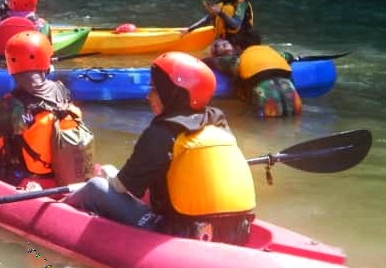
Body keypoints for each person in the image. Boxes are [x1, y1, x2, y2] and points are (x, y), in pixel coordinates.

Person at [65, 51, 257, 244]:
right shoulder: (218, 121)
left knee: (95, 187)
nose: (148, 96)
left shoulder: (161, 132)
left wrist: (110, 174)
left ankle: (56, 208)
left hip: (182, 234)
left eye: (155, 89)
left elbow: (123, 186)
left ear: (173, 92)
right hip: (238, 231)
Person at [0, 30, 82, 188]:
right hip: (61, 171)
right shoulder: (61, 90)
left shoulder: (12, 104)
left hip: (21, 176)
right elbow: (38, 111)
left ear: (11, 63)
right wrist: (0, 109)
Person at [202, 37, 301, 118]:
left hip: (265, 95)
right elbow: (288, 56)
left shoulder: (237, 60)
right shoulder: (272, 53)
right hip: (291, 91)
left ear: (238, 48)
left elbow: (212, 61)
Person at [185, 0, 257, 52]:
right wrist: (189, 29)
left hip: (241, 41)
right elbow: (207, 18)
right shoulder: (220, 1)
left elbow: (236, 25)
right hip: (226, 40)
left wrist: (220, 13)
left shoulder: (242, 4)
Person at [0, 0, 51, 68]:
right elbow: (46, 51)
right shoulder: (41, 24)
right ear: (34, 2)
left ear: (10, 2)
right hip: (28, 69)